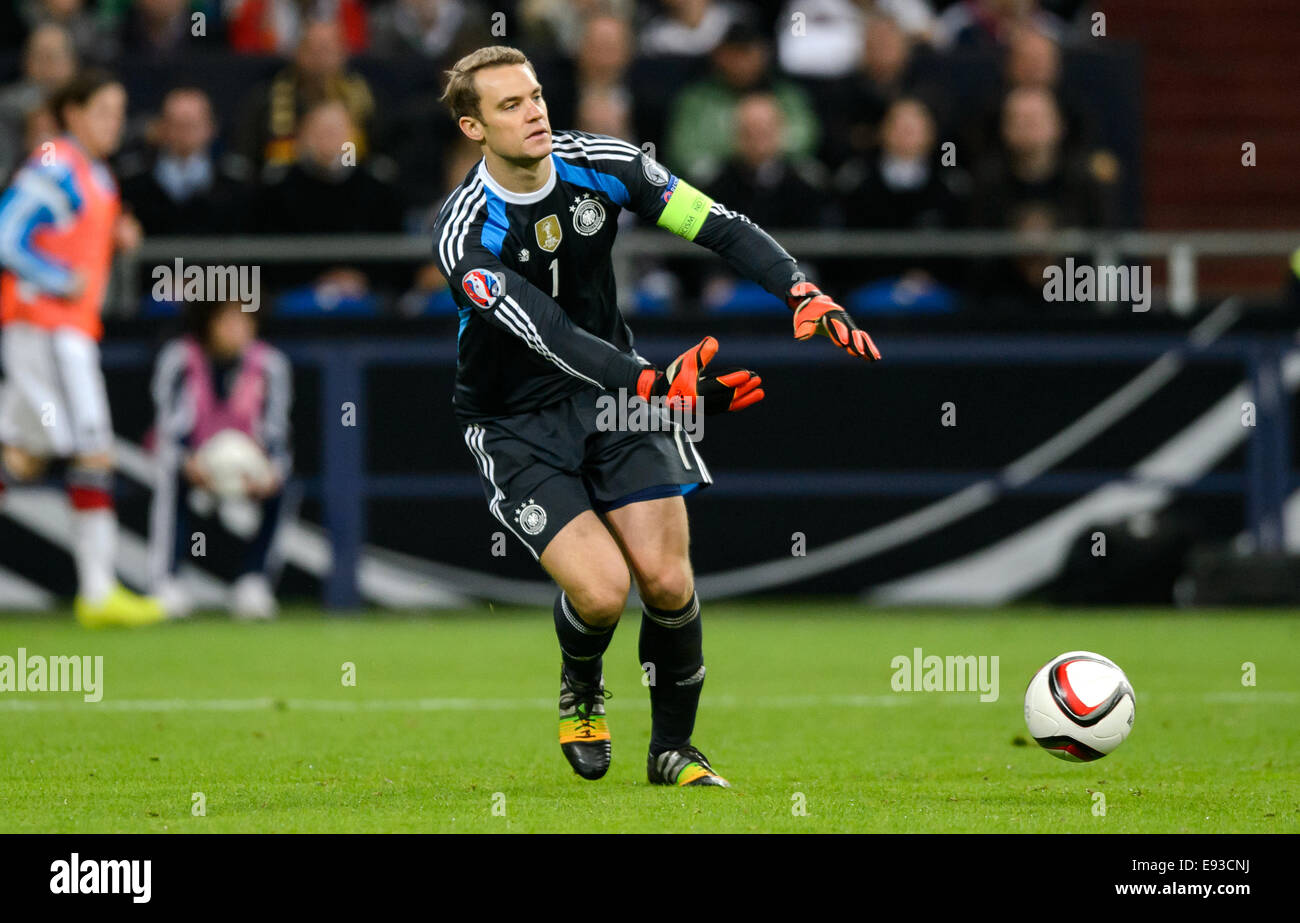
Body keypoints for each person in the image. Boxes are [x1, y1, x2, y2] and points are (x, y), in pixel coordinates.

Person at [432, 46, 881, 788]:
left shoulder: (604, 162)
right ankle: (581, 685)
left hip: (615, 397)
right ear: (473, 128)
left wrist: (799, 289)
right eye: (509, 105)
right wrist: (653, 381)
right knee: (603, 590)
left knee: (668, 581)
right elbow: (547, 331)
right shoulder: (463, 232)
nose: (534, 110)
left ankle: (675, 750)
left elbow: (718, 222)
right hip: (515, 420)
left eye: (537, 94)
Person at [0, 70, 162, 627]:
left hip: (66, 329)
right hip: (45, 324)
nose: (114, 124)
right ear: (73, 114)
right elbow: (6, 233)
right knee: (90, 449)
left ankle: (97, 591)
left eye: (118, 113)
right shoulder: (56, 165)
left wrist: (117, 233)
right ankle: (96, 592)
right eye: (103, 112)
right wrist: (55, 275)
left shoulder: (95, 175)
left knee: (24, 453)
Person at [149, 300, 293, 620]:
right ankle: (167, 581)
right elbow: (168, 428)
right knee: (167, 474)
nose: (235, 330)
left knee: (283, 483)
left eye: (244, 322)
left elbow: (276, 431)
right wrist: (189, 461)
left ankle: (254, 582)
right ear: (209, 324)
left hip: (247, 469)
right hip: (193, 464)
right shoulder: (180, 358)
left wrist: (269, 471)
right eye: (227, 321)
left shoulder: (271, 364)